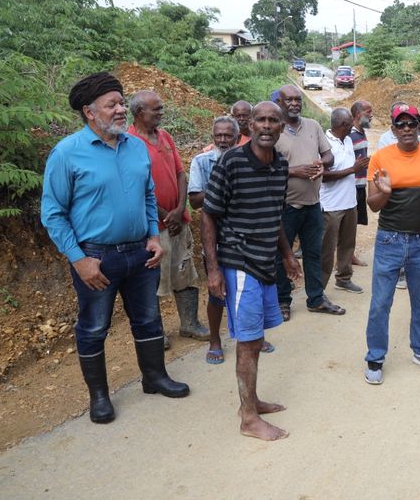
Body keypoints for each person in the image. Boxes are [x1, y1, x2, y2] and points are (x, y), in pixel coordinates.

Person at [41, 72, 188, 425]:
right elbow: (53, 214)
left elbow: (148, 195)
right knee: (93, 327)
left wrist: (153, 236)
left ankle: (154, 377)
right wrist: (79, 260)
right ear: (90, 113)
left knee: (149, 317)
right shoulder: (67, 154)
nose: (121, 109)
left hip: (140, 252)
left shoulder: (135, 146)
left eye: (122, 102)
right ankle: (100, 396)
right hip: (97, 258)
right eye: (113, 105)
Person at [202, 101, 301, 441]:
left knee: (256, 338)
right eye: (260, 119)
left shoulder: (280, 166)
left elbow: (274, 217)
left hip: (265, 263)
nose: (267, 125)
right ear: (251, 125)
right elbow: (209, 215)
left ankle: (253, 400)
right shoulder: (231, 162)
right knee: (247, 342)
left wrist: (287, 254)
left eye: (274, 120)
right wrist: (213, 269)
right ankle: (247, 418)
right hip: (238, 263)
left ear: (281, 126)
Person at [364, 103, 420, 384]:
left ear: (419, 125)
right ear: (393, 129)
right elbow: (373, 205)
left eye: (411, 123)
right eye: (400, 124)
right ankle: (375, 357)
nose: (406, 129)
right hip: (389, 239)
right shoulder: (380, 158)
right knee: (381, 302)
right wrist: (386, 193)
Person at [189, 116, 275, 364]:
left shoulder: (253, 160)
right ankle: (215, 339)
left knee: (254, 290)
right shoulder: (201, 161)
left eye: (229, 135)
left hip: (249, 241)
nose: (223, 140)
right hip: (217, 240)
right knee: (218, 292)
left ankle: (253, 337)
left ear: (238, 137)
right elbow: (195, 201)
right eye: (219, 135)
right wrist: (227, 187)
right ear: (213, 137)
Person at [127, 90, 208, 348]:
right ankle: (157, 332)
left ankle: (189, 323)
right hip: (153, 226)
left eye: (161, 108)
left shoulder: (165, 136)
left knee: (185, 272)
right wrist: (165, 214)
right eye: (156, 109)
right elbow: (136, 187)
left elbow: (180, 174)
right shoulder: (128, 143)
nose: (162, 113)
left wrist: (178, 209)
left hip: (178, 221)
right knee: (154, 280)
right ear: (139, 113)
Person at [273, 84, 339, 321]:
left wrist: (323, 164)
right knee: (282, 254)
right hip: (285, 206)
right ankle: (282, 300)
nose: (293, 104)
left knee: (313, 252)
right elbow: (265, 168)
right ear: (279, 103)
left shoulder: (313, 126)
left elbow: (329, 155)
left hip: (312, 204)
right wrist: (295, 171)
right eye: (288, 100)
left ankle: (316, 298)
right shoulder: (274, 131)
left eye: (297, 99)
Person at [320, 108, 370, 296]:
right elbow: (322, 176)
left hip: (350, 203)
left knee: (347, 245)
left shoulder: (348, 140)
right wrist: (352, 169)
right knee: (327, 249)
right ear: (342, 125)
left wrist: (360, 166)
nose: (352, 126)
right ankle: (319, 289)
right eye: (350, 123)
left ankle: (344, 279)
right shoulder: (323, 143)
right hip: (331, 206)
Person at [349, 100, 373, 267]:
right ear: (358, 114)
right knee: (348, 223)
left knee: (354, 222)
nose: (371, 115)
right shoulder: (350, 134)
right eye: (368, 112)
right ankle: (347, 257)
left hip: (360, 183)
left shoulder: (361, 132)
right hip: (352, 184)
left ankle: (349, 255)